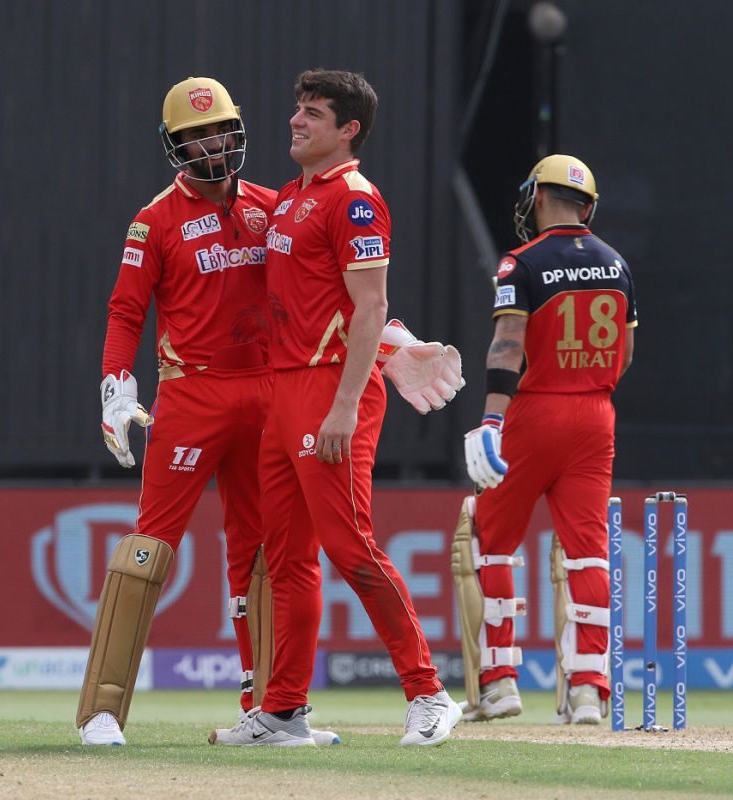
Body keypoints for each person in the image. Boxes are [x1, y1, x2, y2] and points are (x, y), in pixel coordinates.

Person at [82, 75, 463, 747]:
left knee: (270, 556)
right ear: (174, 146)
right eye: (195, 136)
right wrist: (118, 386)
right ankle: (106, 710)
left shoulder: (279, 203)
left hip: (278, 391)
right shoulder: (165, 219)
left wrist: (390, 348)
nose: (211, 146)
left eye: (219, 131)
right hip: (194, 395)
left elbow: (345, 297)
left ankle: (282, 705)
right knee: (151, 548)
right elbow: (124, 311)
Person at [211, 69, 461, 748]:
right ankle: (283, 712)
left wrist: (347, 405)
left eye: (313, 113)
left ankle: (429, 692)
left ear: (348, 130)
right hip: (282, 391)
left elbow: (370, 303)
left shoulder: (354, 199)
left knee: (351, 548)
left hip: (329, 394)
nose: (296, 120)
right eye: (297, 108)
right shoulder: (293, 196)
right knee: (286, 557)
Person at [456, 154, 635, 725]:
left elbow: (508, 344)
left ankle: (501, 682)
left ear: (538, 197)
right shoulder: (616, 263)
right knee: (588, 551)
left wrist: (491, 420)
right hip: (596, 414)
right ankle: (587, 689)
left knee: (491, 541)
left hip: (536, 411)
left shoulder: (522, 262)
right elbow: (624, 356)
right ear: (588, 205)